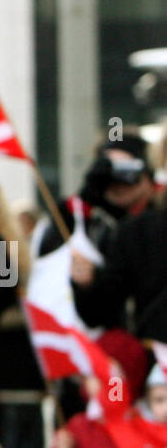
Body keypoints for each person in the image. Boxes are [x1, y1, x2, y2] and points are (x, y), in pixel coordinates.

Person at [63, 135, 165, 338]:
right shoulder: (101, 224)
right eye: (107, 169)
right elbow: (99, 312)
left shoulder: (151, 224)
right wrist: (87, 285)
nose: (117, 181)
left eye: (126, 171)